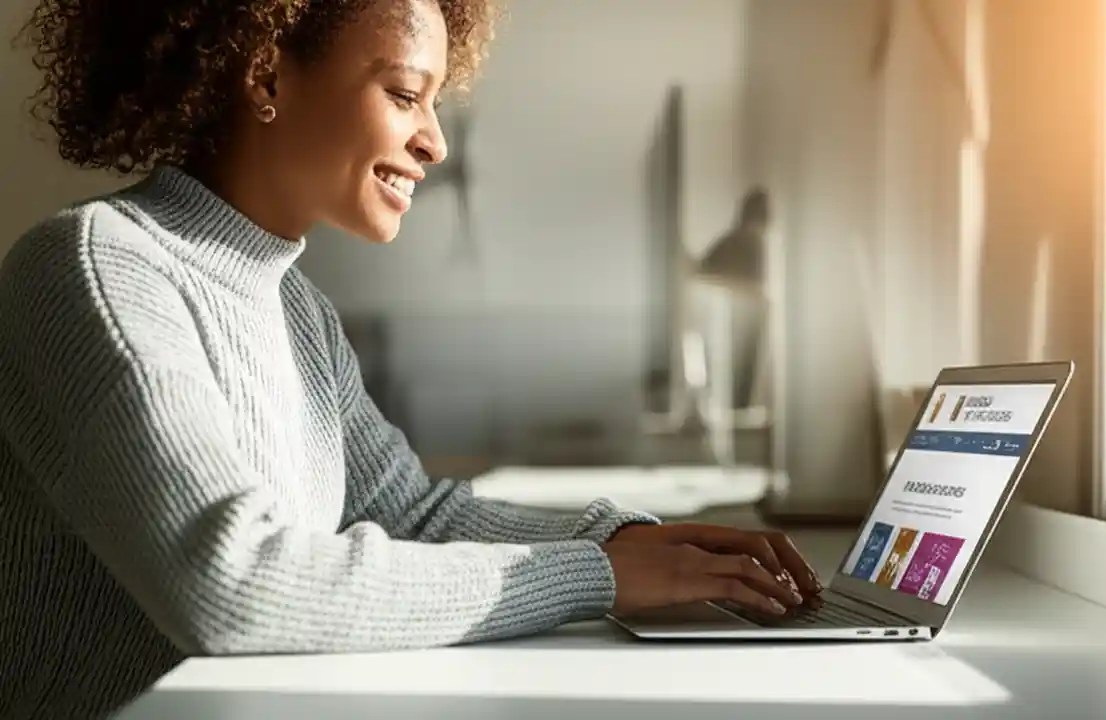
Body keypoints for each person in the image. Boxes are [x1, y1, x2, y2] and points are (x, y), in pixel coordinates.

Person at [0, 0, 823, 716]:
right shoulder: (93, 268)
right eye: (403, 95)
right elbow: (233, 584)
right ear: (264, 76)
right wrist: (593, 576)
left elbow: (412, 515)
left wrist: (630, 541)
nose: (433, 142)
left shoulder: (296, 312)